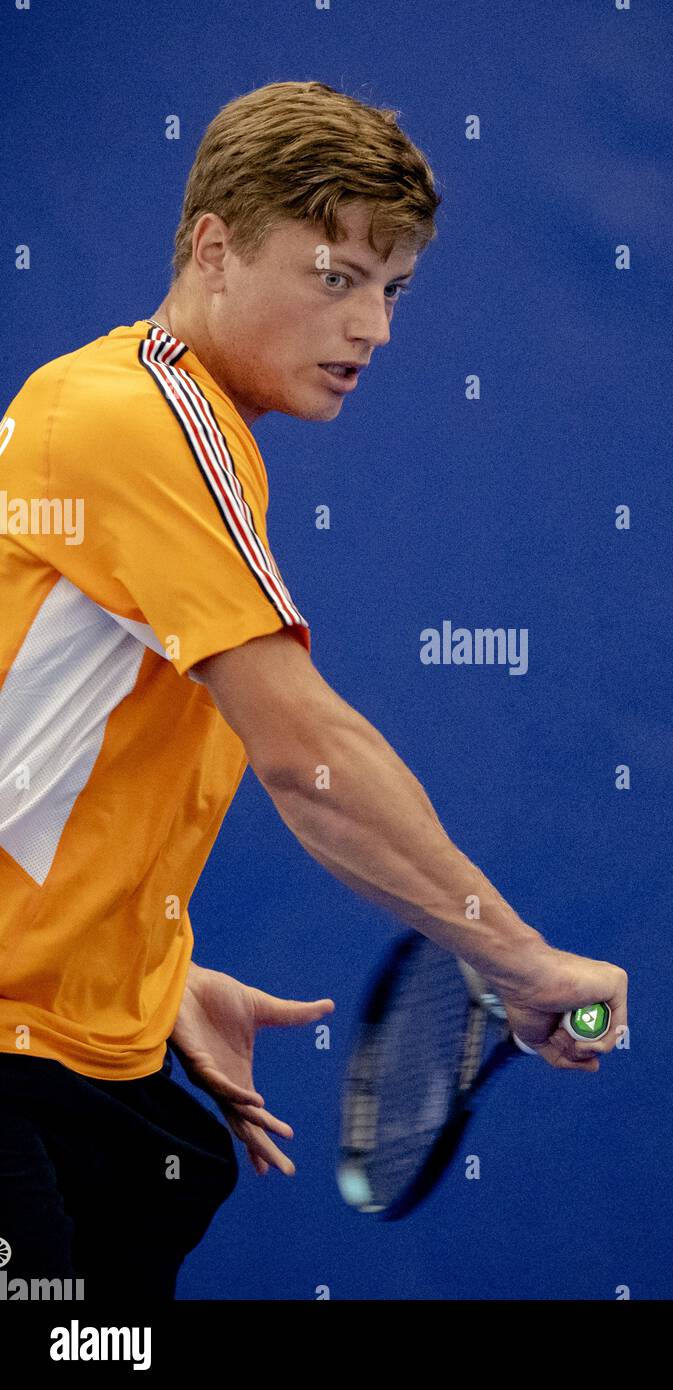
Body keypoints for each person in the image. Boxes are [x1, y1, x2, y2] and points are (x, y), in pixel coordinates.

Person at [0, 79, 628, 1301]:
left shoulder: (162, 425)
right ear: (213, 249)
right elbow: (308, 756)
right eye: (336, 277)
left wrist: (145, 973)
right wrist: (518, 961)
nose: (375, 328)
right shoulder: (136, 420)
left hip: (78, 1052)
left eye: (393, 290)